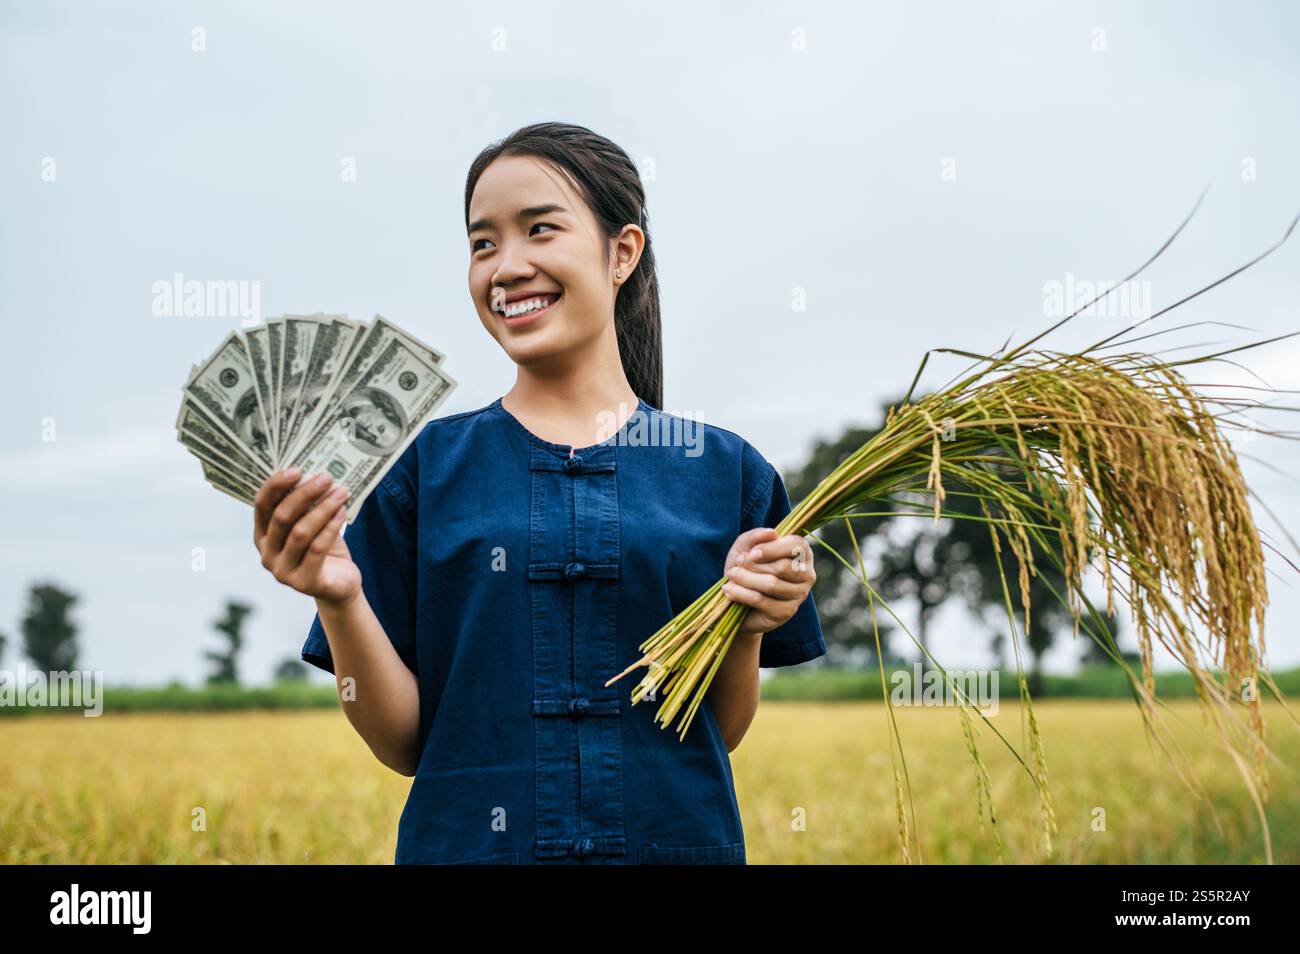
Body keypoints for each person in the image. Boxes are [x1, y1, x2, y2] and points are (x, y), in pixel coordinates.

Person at [251, 121, 826, 865]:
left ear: (622, 253)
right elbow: (401, 744)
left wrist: (748, 623)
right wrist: (338, 597)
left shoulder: (726, 474)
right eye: (482, 243)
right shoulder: (424, 472)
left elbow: (718, 733)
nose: (505, 266)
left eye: (539, 230)